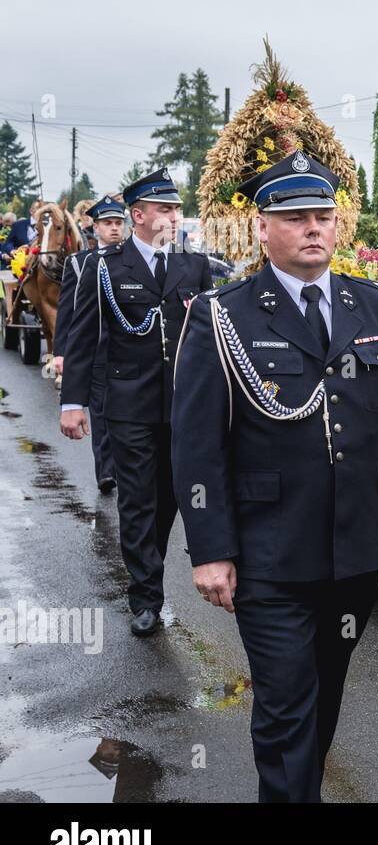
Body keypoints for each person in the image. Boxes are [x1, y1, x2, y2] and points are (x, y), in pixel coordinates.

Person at [171, 151, 378, 803]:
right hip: (269, 556)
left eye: (323, 215)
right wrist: (210, 548)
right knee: (287, 708)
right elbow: (196, 444)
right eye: (296, 218)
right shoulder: (224, 317)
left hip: (353, 552)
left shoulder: (374, 307)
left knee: (320, 701)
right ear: (263, 228)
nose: (313, 228)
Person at [59, 169, 212, 637]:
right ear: (138, 215)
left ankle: (152, 563)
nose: (172, 215)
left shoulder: (193, 265)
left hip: (182, 406)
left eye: (175, 208)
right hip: (128, 405)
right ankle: (146, 596)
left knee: (169, 499)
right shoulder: (106, 267)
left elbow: (208, 338)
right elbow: (83, 337)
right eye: (163, 209)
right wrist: (72, 403)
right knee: (138, 500)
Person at [53, 195, 125, 493]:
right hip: (96, 350)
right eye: (108, 223)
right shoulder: (80, 263)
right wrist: (60, 352)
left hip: (125, 351)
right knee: (101, 413)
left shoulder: (133, 261)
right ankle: (106, 471)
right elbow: (68, 309)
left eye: (119, 223)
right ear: (95, 228)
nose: (114, 229)